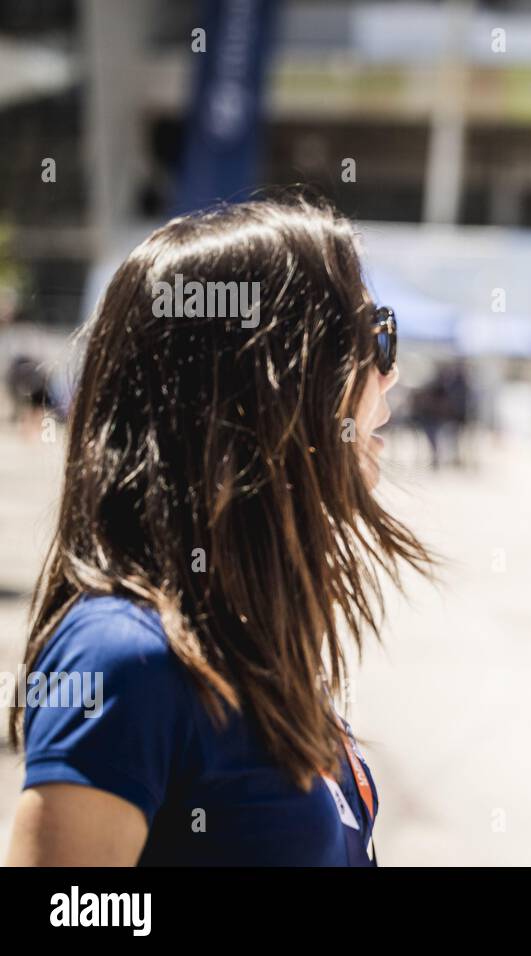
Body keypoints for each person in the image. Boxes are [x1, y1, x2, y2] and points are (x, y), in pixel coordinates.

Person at [5, 195, 435, 866]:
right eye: (372, 338)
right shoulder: (126, 656)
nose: (391, 371)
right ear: (266, 383)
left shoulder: (241, 627)